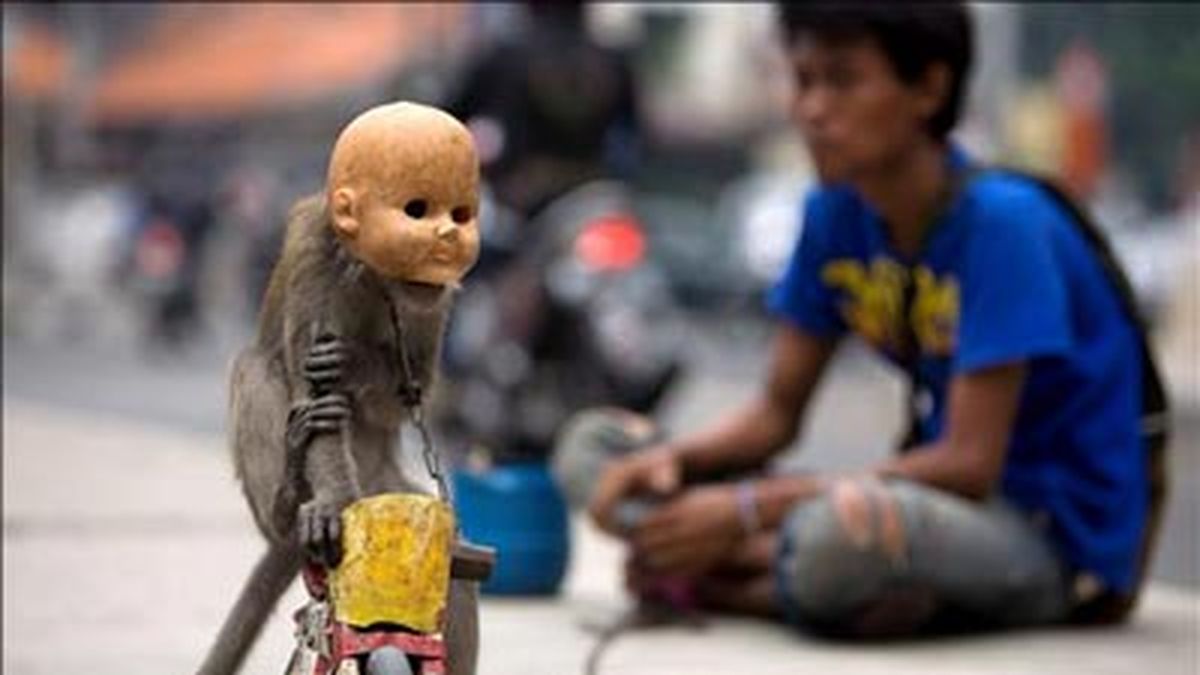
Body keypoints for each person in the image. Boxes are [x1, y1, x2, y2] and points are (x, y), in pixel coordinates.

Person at [555, 2, 1163, 638]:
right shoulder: (834, 216)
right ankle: (769, 575)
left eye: (841, 80)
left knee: (835, 541)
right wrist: (673, 463)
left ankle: (720, 574)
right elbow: (775, 413)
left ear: (928, 87)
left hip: (1043, 531)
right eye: (803, 79)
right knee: (597, 450)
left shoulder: (1002, 224)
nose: (811, 110)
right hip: (925, 508)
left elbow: (967, 463)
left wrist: (740, 511)